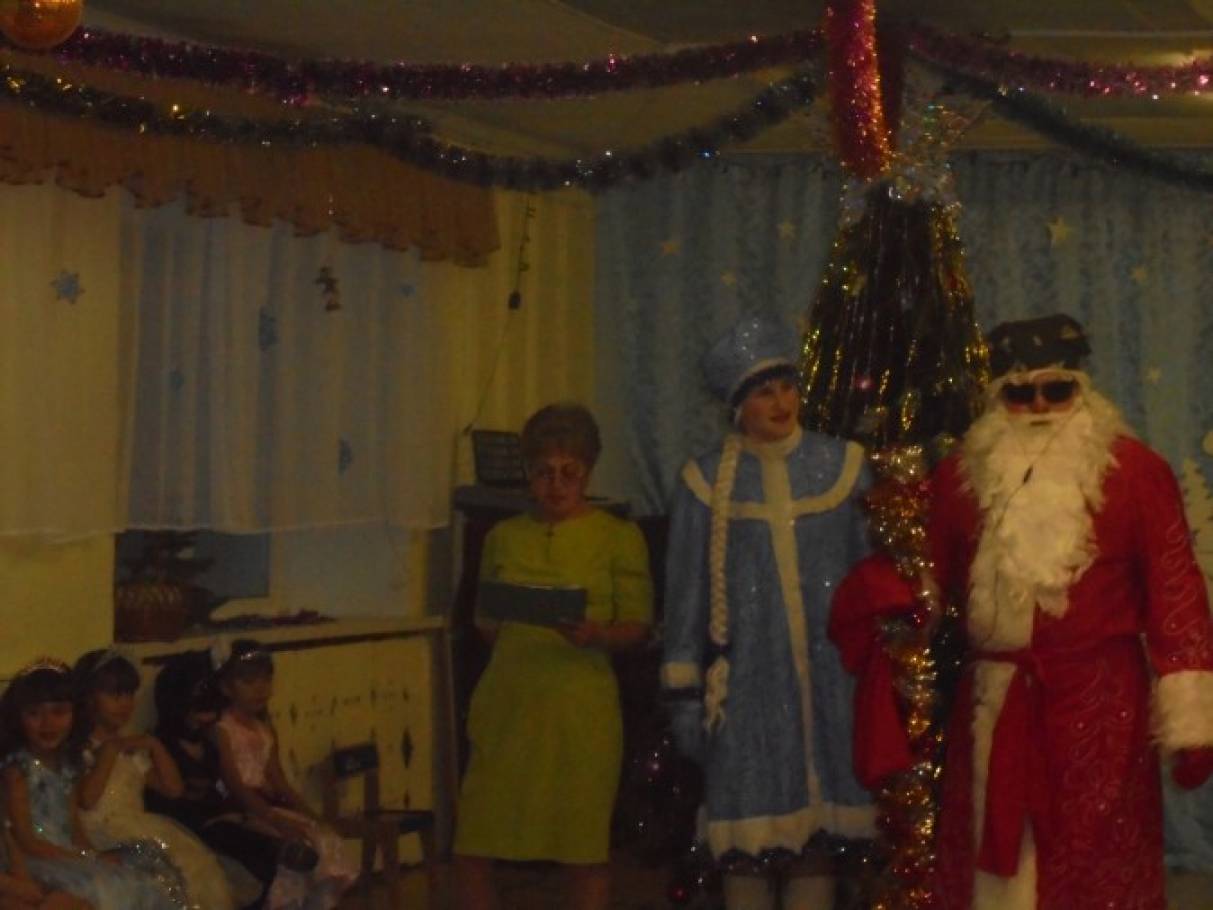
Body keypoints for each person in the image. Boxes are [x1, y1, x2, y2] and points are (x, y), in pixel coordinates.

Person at [832, 313, 1213, 910]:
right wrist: (895, 601)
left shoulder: (1137, 472)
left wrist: (1190, 712)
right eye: (1018, 393)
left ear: (1081, 390)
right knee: (992, 841)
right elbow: (931, 577)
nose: (1038, 406)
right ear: (997, 397)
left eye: (1056, 390)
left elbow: (1174, 586)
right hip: (994, 697)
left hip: (1101, 707)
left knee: (1094, 855)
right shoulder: (961, 477)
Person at [661, 315, 875, 910]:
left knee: (818, 842)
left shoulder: (844, 468)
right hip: (748, 694)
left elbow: (870, 580)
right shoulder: (704, 483)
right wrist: (684, 697)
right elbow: (685, 598)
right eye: (764, 393)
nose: (781, 403)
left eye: (787, 387)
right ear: (738, 407)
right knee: (747, 838)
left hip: (833, 688)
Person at [453, 402, 654, 910]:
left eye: (570, 472)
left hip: (580, 712)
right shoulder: (502, 537)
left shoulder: (618, 536)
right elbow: (484, 622)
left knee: (582, 851)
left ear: (588, 472)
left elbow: (637, 627)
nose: (557, 485)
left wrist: (596, 635)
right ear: (528, 473)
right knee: (474, 845)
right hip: (508, 708)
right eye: (544, 472)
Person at [0, 659, 182, 910]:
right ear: (18, 718)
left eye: (59, 712)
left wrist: (92, 855)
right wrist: (84, 859)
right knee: (104, 888)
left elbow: (74, 826)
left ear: (75, 714)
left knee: (148, 871)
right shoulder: (18, 769)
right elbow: (25, 839)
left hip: (69, 854)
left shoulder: (68, 764)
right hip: (39, 858)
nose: (47, 723)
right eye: (34, 714)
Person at [72, 650, 235, 910]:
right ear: (89, 697)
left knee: (191, 866)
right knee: (157, 878)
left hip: (138, 825)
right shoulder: (80, 748)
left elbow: (173, 789)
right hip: (100, 832)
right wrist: (109, 752)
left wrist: (154, 745)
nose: (125, 704)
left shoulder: (130, 748)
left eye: (129, 695)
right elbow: (88, 799)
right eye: (115, 695)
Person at [211, 640, 356, 910]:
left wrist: (312, 815)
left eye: (266, 680)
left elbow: (279, 781)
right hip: (241, 809)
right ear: (226, 688)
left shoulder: (265, 729)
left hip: (270, 805)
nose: (260, 689)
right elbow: (235, 785)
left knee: (322, 838)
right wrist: (273, 818)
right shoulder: (223, 729)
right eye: (249, 682)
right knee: (292, 847)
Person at [146, 650, 276, 909]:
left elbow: (224, 787)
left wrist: (241, 817)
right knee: (244, 852)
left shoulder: (210, 742)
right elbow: (171, 799)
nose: (203, 719)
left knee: (264, 853)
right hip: (183, 827)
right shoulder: (162, 745)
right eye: (197, 710)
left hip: (217, 819)